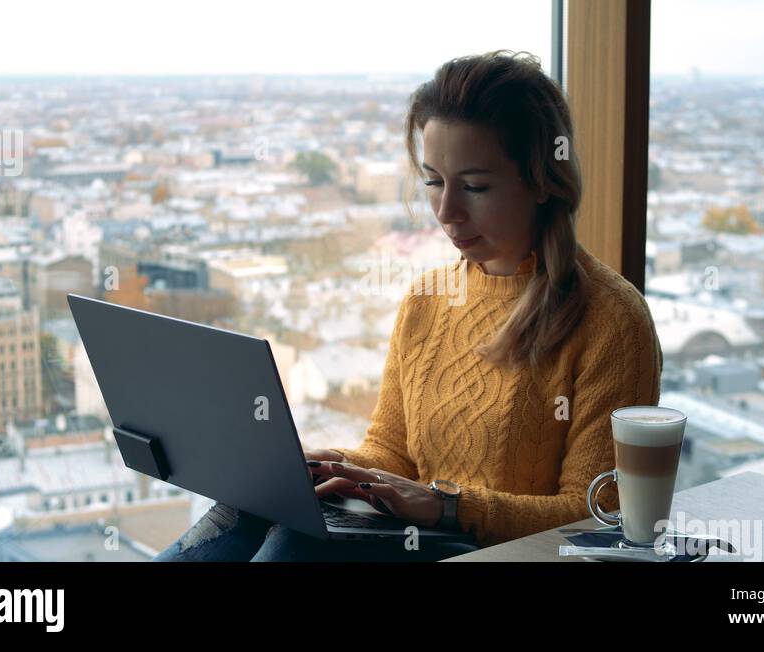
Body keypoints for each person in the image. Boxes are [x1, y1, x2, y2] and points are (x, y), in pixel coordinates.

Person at [154, 49, 662, 562]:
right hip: (412, 540)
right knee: (249, 508)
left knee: (292, 547)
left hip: (495, 553)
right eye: (435, 182)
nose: (447, 212)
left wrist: (449, 506)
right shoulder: (427, 300)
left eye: (475, 187)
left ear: (541, 181)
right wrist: (326, 468)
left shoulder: (612, 323)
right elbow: (391, 452)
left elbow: (597, 517)